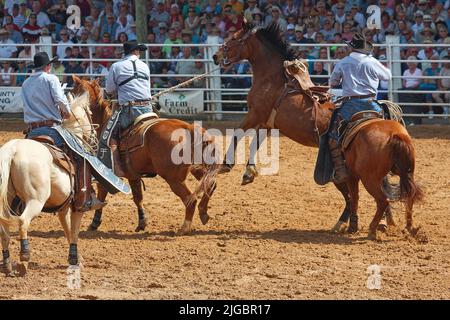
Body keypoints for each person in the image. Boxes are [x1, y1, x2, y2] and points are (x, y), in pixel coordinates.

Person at [21, 52, 105, 212]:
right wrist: (66, 113)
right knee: (82, 156)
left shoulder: (26, 83)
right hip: (51, 129)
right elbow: (60, 100)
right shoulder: (50, 79)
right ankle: (85, 198)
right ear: (48, 66)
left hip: (31, 132)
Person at [328, 34, 392, 183]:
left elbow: (333, 81)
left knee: (333, 136)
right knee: (391, 121)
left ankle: (340, 169)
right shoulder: (372, 62)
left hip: (350, 105)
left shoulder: (343, 62)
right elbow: (387, 76)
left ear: (352, 48)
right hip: (371, 103)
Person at [102, 41, 153, 177]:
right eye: (139, 51)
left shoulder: (116, 66)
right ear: (136, 52)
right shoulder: (144, 66)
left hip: (130, 110)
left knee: (109, 135)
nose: (140, 53)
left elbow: (110, 90)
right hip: (148, 108)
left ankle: (117, 169)